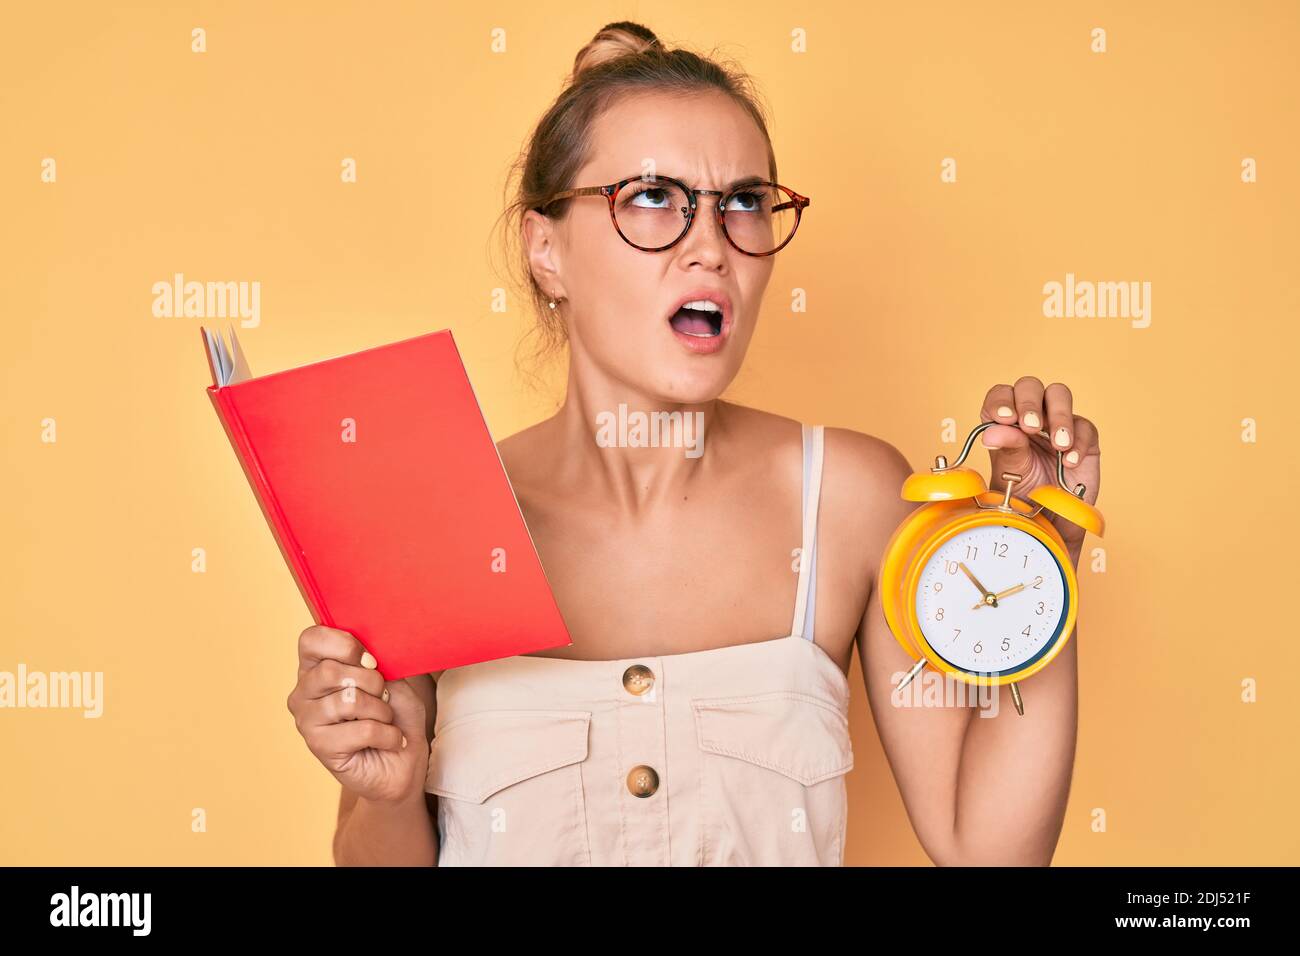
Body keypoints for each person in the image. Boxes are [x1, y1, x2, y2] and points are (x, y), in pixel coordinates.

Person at [286, 20, 1102, 866]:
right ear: (545, 249)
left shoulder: (849, 497)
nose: (710, 246)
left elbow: (991, 852)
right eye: (650, 197)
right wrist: (385, 790)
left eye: (744, 201)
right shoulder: (435, 516)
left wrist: (1040, 564)